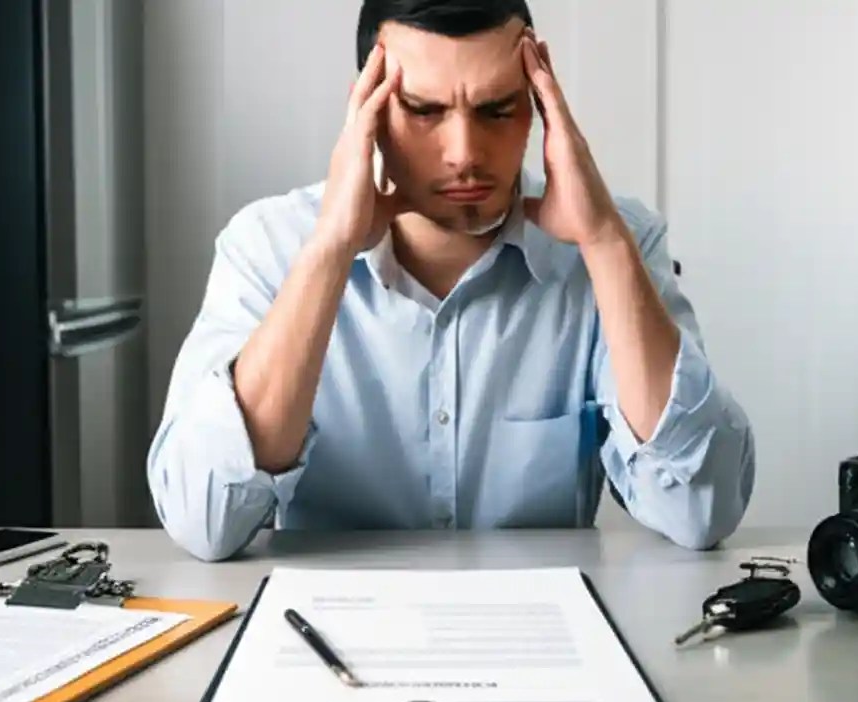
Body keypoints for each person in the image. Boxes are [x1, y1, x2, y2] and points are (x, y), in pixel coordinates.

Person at [147, 0, 755, 561]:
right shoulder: (269, 246)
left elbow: (701, 509)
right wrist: (329, 250)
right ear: (370, 108)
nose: (464, 152)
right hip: (319, 640)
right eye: (424, 110)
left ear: (539, 106)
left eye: (497, 109)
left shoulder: (617, 241)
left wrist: (605, 244)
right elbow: (206, 521)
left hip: (547, 642)